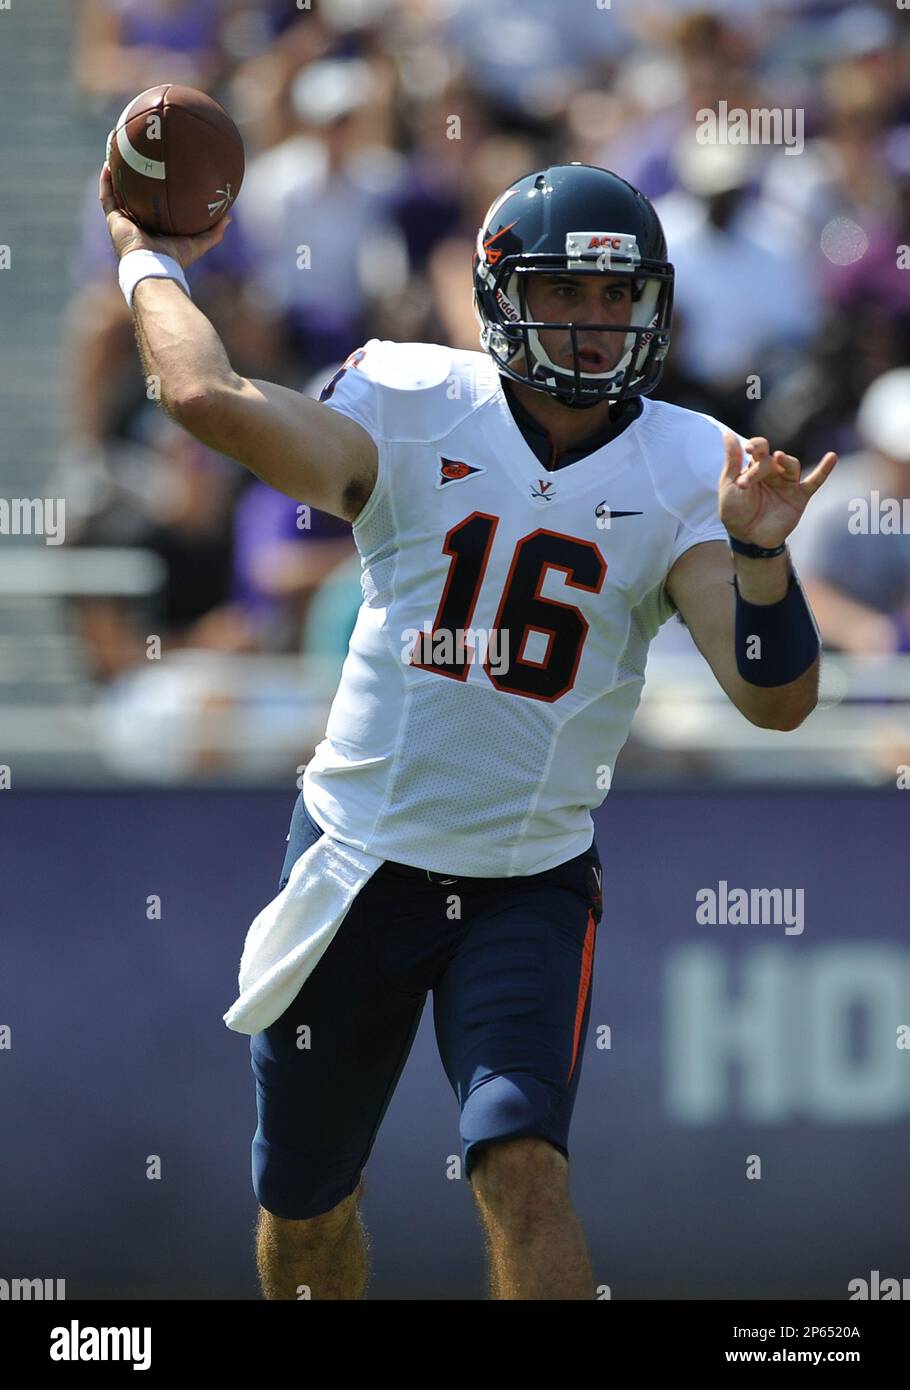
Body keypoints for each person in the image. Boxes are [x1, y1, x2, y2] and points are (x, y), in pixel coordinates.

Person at [100, 158, 836, 1301]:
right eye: (565, 293)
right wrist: (149, 260)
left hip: (525, 879)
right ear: (500, 293)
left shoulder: (695, 461)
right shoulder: (404, 399)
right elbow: (206, 400)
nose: (595, 325)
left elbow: (775, 701)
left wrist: (758, 556)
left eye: (615, 296)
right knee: (305, 1211)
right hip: (357, 864)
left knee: (523, 1170)